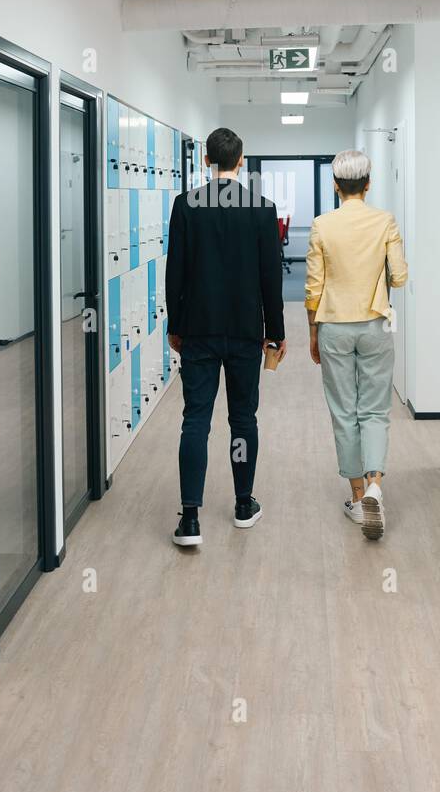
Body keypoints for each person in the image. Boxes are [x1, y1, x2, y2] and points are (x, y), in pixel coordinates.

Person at [166, 127, 286, 547]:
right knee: (242, 418)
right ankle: (242, 504)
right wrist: (276, 332)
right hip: (244, 332)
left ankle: (190, 519)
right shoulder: (260, 208)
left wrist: (174, 326)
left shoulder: (186, 206)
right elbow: (271, 276)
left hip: (197, 330)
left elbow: (175, 271)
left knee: (195, 419)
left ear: (205, 160)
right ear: (241, 161)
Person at [305, 150, 408, 540]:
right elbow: (398, 277)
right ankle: (376, 486)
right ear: (368, 184)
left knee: (344, 411)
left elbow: (313, 286)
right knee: (376, 410)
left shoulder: (322, 225)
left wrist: (312, 331)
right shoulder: (384, 222)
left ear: (335, 185)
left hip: (333, 324)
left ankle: (357, 497)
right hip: (375, 324)